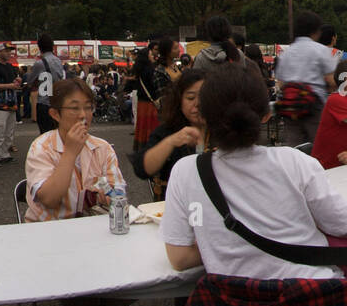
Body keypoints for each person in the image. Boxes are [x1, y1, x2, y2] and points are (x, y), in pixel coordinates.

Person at [163, 66, 347, 281]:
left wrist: (221, 241)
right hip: (309, 296)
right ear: (267, 115)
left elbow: (180, 257)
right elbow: (339, 222)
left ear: (203, 115)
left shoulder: (186, 171)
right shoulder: (295, 161)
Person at [23, 79, 125, 224]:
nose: (83, 115)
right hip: (49, 230)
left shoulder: (103, 148)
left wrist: (109, 196)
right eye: (74, 108)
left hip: (93, 228)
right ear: (55, 114)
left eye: (88, 107)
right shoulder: (41, 147)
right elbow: (49, 199)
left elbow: (119, 195)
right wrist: (70, 152)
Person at [140, 65, 213, 201]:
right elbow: (143, 169)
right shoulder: (167, 131)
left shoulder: (223, 131)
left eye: (204, 97)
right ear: (179, 101)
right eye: (190, 98)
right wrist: (171, 142)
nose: (198, 104)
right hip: (175, 206)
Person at [271, 12, 337, 143]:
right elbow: (331, 80)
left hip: (290, 107)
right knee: (318, 145)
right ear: (316, 31)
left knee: (295, 148)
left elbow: (281, 84)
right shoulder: (321, 50)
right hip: (314, 105)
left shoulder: (286, 53)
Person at [131, 36, 176, 150]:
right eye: (151, 54)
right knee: (151, 125)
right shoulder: (151, 70)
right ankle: (150, 146)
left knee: (142, 126)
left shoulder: (140, 69)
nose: (153, 55)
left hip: (143, 100)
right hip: (150, 101)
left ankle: (142, 145)